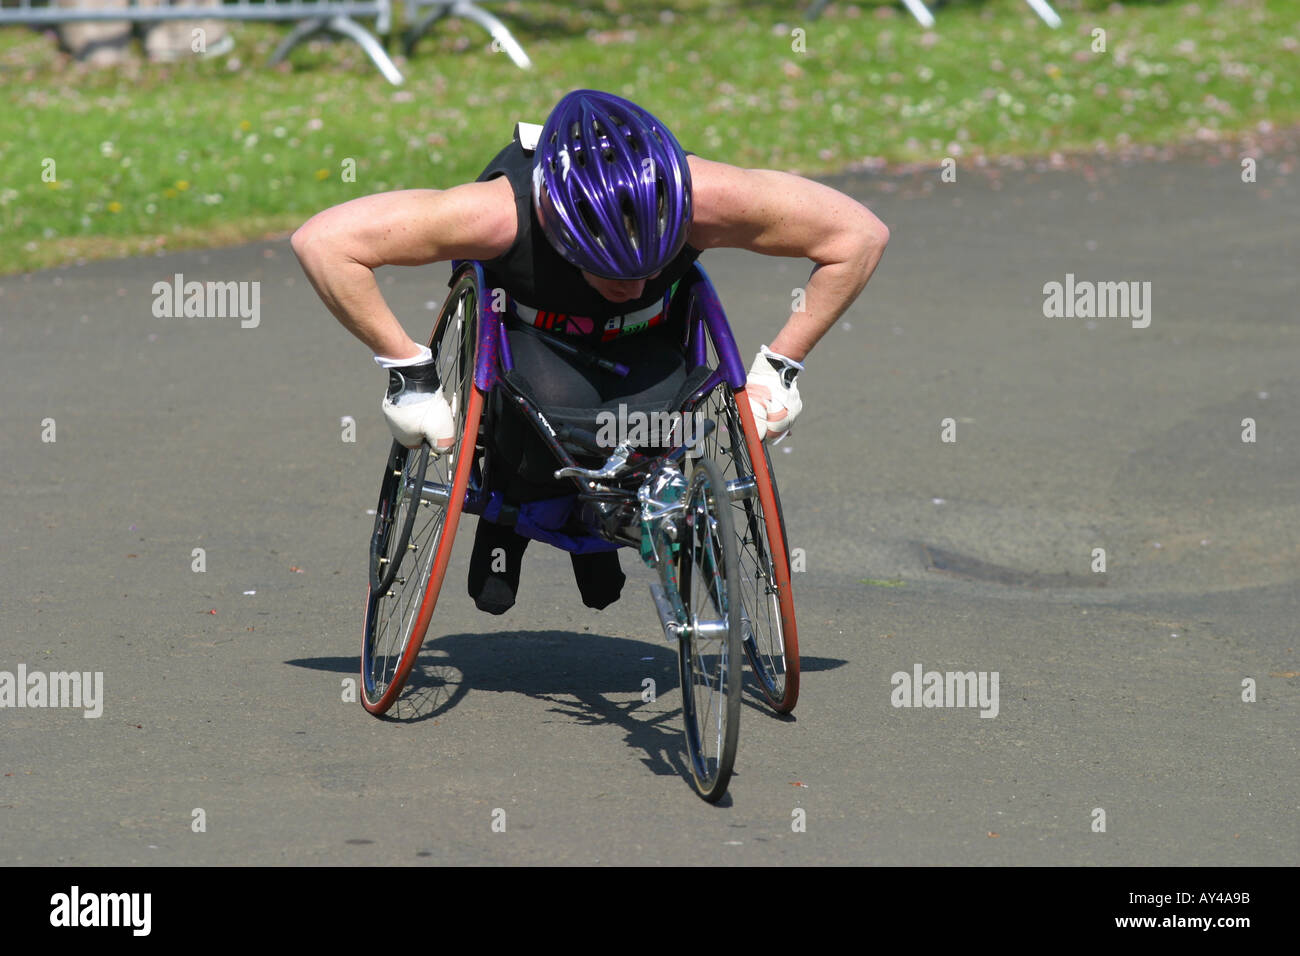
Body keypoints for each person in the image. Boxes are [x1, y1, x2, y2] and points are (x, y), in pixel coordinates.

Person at [292, 89, 889, 615]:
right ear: (554, 225)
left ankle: (601, 531)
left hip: (649, 341)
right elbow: (324, 242)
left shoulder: (709, 197)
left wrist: (780, 369)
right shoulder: (495, 214)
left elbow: (858, 236)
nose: (630, 286)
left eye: (647, 268)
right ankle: (510, 522)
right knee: (547, 417)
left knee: (654, 423)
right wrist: (408, 372)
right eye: (608, 272)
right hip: (535, 336)